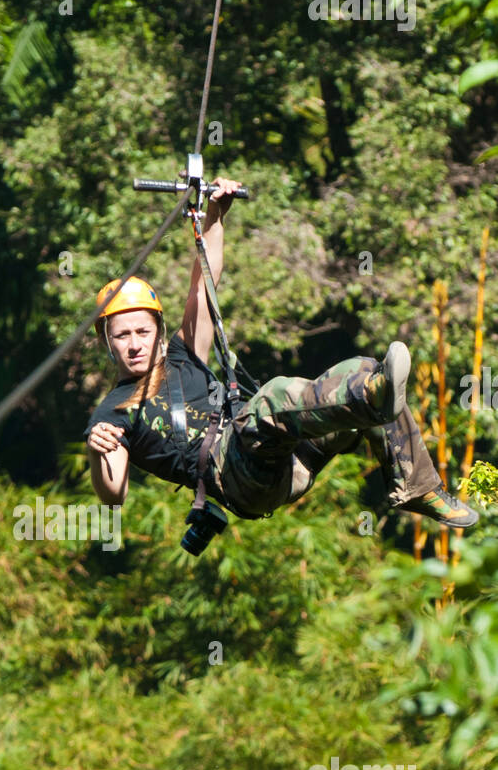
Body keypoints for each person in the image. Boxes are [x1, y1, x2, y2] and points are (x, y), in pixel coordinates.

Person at [84, 176, 478, 535]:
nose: (134, 343)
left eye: (142, 331)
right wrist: (98, 451)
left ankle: (416, 486)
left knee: (362, 371)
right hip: (237, 477)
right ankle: (371, 399)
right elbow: (114, 494)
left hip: (289, 460)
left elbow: (203, 283)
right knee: (271, 401)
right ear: (108, 342)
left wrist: (215, 217)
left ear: (160, 331)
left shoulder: (183, 354)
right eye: (122, 335)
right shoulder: (112, 413)